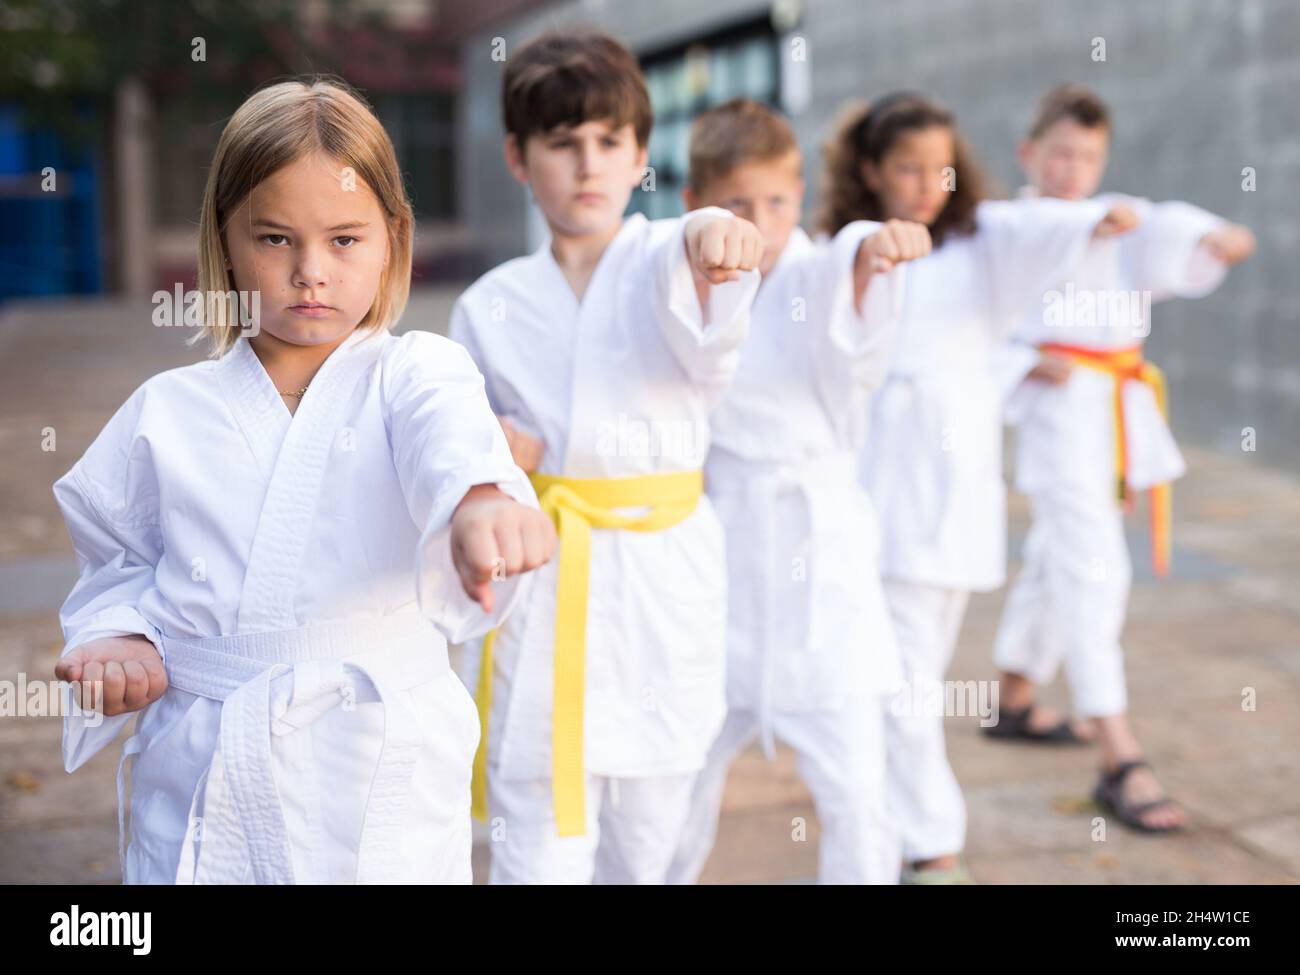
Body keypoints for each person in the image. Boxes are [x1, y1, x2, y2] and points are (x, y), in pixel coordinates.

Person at [51, 77, 555, 884]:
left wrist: (479, 499)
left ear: (394, 237)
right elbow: (119, 561)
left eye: (345, 240)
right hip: (211, 761)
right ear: (224, 238)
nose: (311, 271)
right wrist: (119, 636)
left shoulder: (415, 374)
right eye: (276, 239)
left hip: (378, 764)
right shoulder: (168, 411)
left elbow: (451, 440)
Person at [448, 30, 763, 884]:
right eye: (561, 143)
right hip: (541, 582)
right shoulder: (490, 305)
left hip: (661, 581)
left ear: (639, 155)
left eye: (608, 143)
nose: (587, 166)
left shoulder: (664, 261)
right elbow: (451, 452)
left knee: (654, 840)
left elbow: (698, 271)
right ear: (518, 157)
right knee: (535, 836)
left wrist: (709, 233)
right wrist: (490, 457)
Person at [821, 91, 1136, 883]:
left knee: (911, 675)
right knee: (894, 680)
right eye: (907, 169)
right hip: (867, 480)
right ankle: (926, 843)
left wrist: (1093, 221)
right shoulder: (847, 246)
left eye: (941, 169)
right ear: (870, 169)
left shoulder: (982, 240)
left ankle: (909, 840)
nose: (928, 184)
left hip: (948, 488)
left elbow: (1041, 228)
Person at [663, 98, 930, 884]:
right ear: (695, 206)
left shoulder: (822, 270)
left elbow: (850, 262)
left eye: (778, 202)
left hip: (824, 565)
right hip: (723, 553)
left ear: (801, 198)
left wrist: (874, 249)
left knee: (856, 785)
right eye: (736, 204)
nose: (760, 223)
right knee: (678, 779)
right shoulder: (679, 284)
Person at [987, 84, 1255, 833]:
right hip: (1058, 415)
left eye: (1088, 157)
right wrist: (1023, 358)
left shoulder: (1120, 214)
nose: (1074, 169)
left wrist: (1214, 238)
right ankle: (1117, 752)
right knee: (1095, 565)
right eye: (1061, 153)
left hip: (1114, 409)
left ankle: (1011, 694)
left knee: (1058, 553)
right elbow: (972, 317)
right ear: (1029, 153)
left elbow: (1167, 229)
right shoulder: (1010, 225)